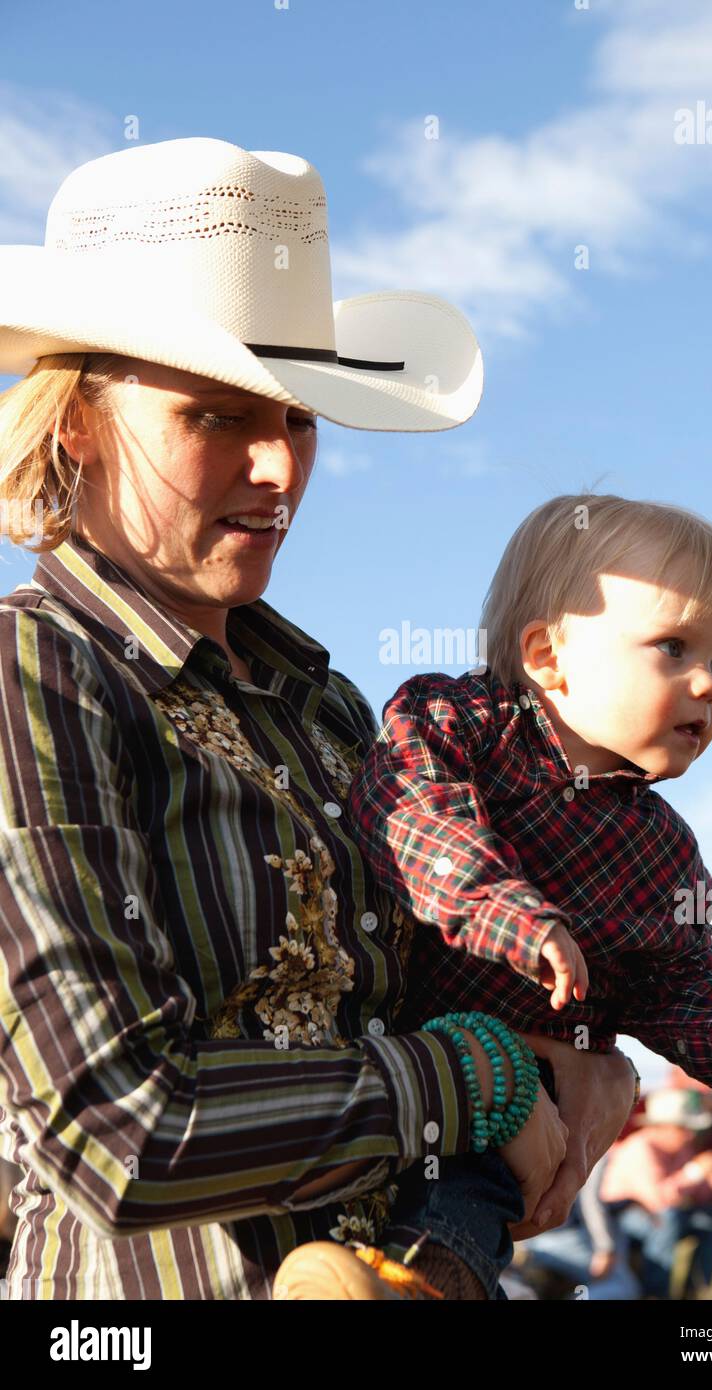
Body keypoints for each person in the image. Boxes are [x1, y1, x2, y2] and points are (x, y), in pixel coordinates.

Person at [0, 136, 639, 1301]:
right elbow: (116, 1128)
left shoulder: (330, 708)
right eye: (212, 417)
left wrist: (573, 1052)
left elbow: (426, 995)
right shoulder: (29, 673)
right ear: (78, 424)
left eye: (297, 419)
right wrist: (473, 1075)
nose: (279, 468)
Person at [347, 491, 712, 1297]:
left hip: (514, 1104)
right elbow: (416, 816)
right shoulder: (459, 723)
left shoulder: (661, 848)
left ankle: (420, 1287)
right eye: (674, 648)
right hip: (386, 1050)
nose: (708, 685)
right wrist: (510, 912)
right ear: (549, 655)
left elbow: (676, 989)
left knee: (471, 1195)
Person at [599, 1088, 712, 1298]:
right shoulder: (640, 1148)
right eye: (684, 1128)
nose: (690, 1134)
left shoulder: (679, 1149)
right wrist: (695, 1172)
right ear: (663, 1127)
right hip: (619, 1219)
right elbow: (660, 1201)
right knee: (667, 1218)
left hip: (654, 1216)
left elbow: (694, 1194)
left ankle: (695, 1290)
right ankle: (656, 1294)